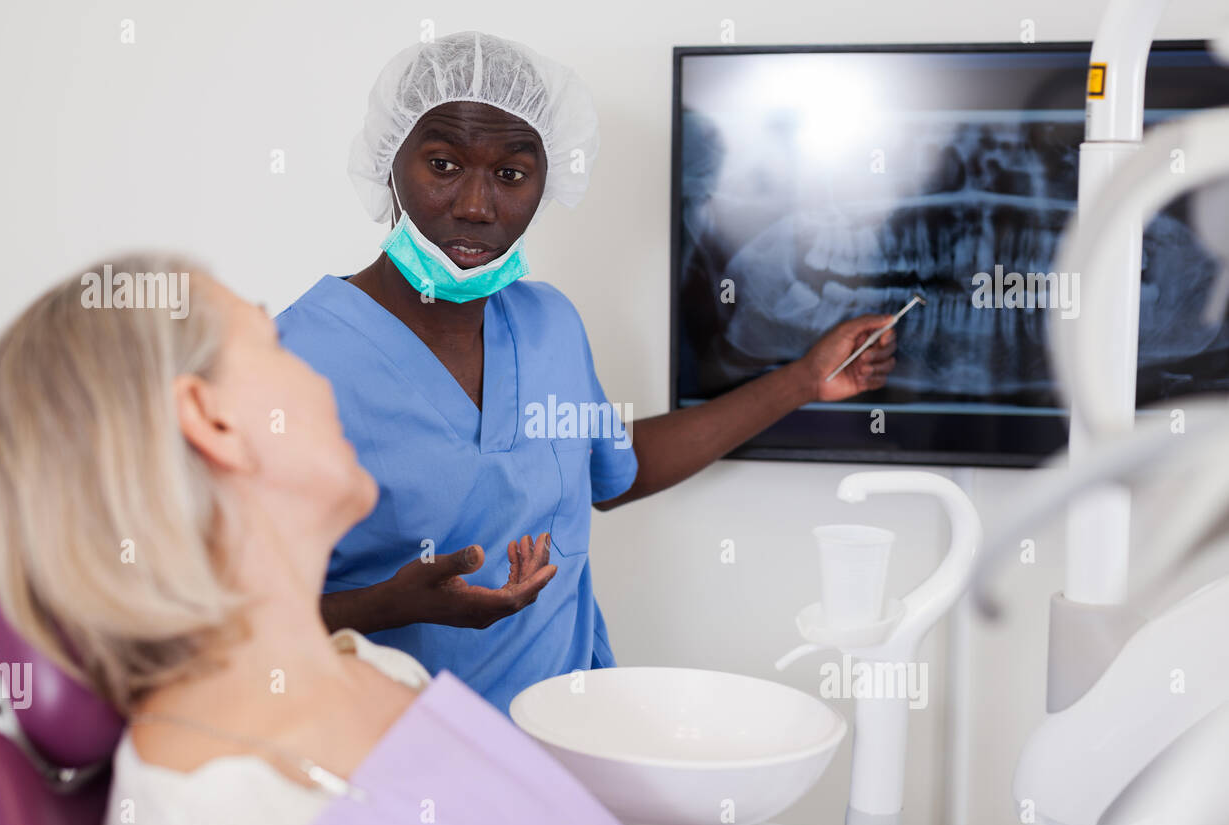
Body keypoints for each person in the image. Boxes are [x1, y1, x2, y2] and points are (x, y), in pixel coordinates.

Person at [277, 31, 897, 714]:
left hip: (568, 741)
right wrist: (387, 604)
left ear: (547, 182)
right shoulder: (296, 358)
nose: (478, 205)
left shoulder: (550, 325)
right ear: (388, 160)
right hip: (390, 767)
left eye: (511, 174)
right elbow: (223, 620)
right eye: (444, 163)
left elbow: (615, 466)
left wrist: (804, 380)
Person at [0, 254, 633, 825]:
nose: (318, 373)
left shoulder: (373, 668)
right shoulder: (211, 821)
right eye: (270, 344)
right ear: (212, 421)